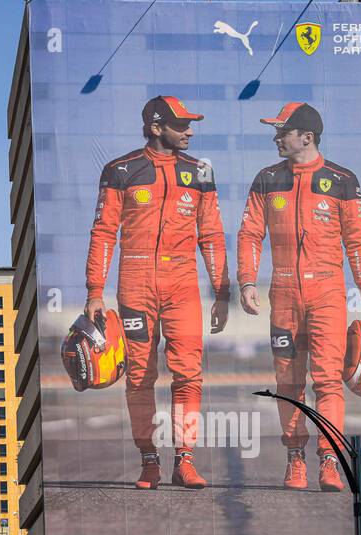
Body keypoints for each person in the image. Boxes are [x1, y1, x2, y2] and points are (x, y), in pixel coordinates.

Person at [85, 94, 230, 491]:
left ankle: (185, 460)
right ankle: (149, 461)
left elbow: (212, 235)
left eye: (189, 124)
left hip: (183, 284)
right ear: (155, 127)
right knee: (139, 376)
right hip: (135, 281)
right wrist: (95, 291)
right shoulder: (120, 170)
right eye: (181, 125)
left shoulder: (200, 171)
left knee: (189, 374)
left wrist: (221, 291)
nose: (189, 131)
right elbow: (103, 233)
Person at [237, 102, 361, 492]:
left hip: (328, 293)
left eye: (282, 131)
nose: (275, 137)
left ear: (306, 137)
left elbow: (358, 241)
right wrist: (247, 281)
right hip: (283, 294)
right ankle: (295, 459)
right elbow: (250, 233)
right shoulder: (266, 178)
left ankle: (329, 462)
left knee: (328, 381)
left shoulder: (342, 179)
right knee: (288, 383)